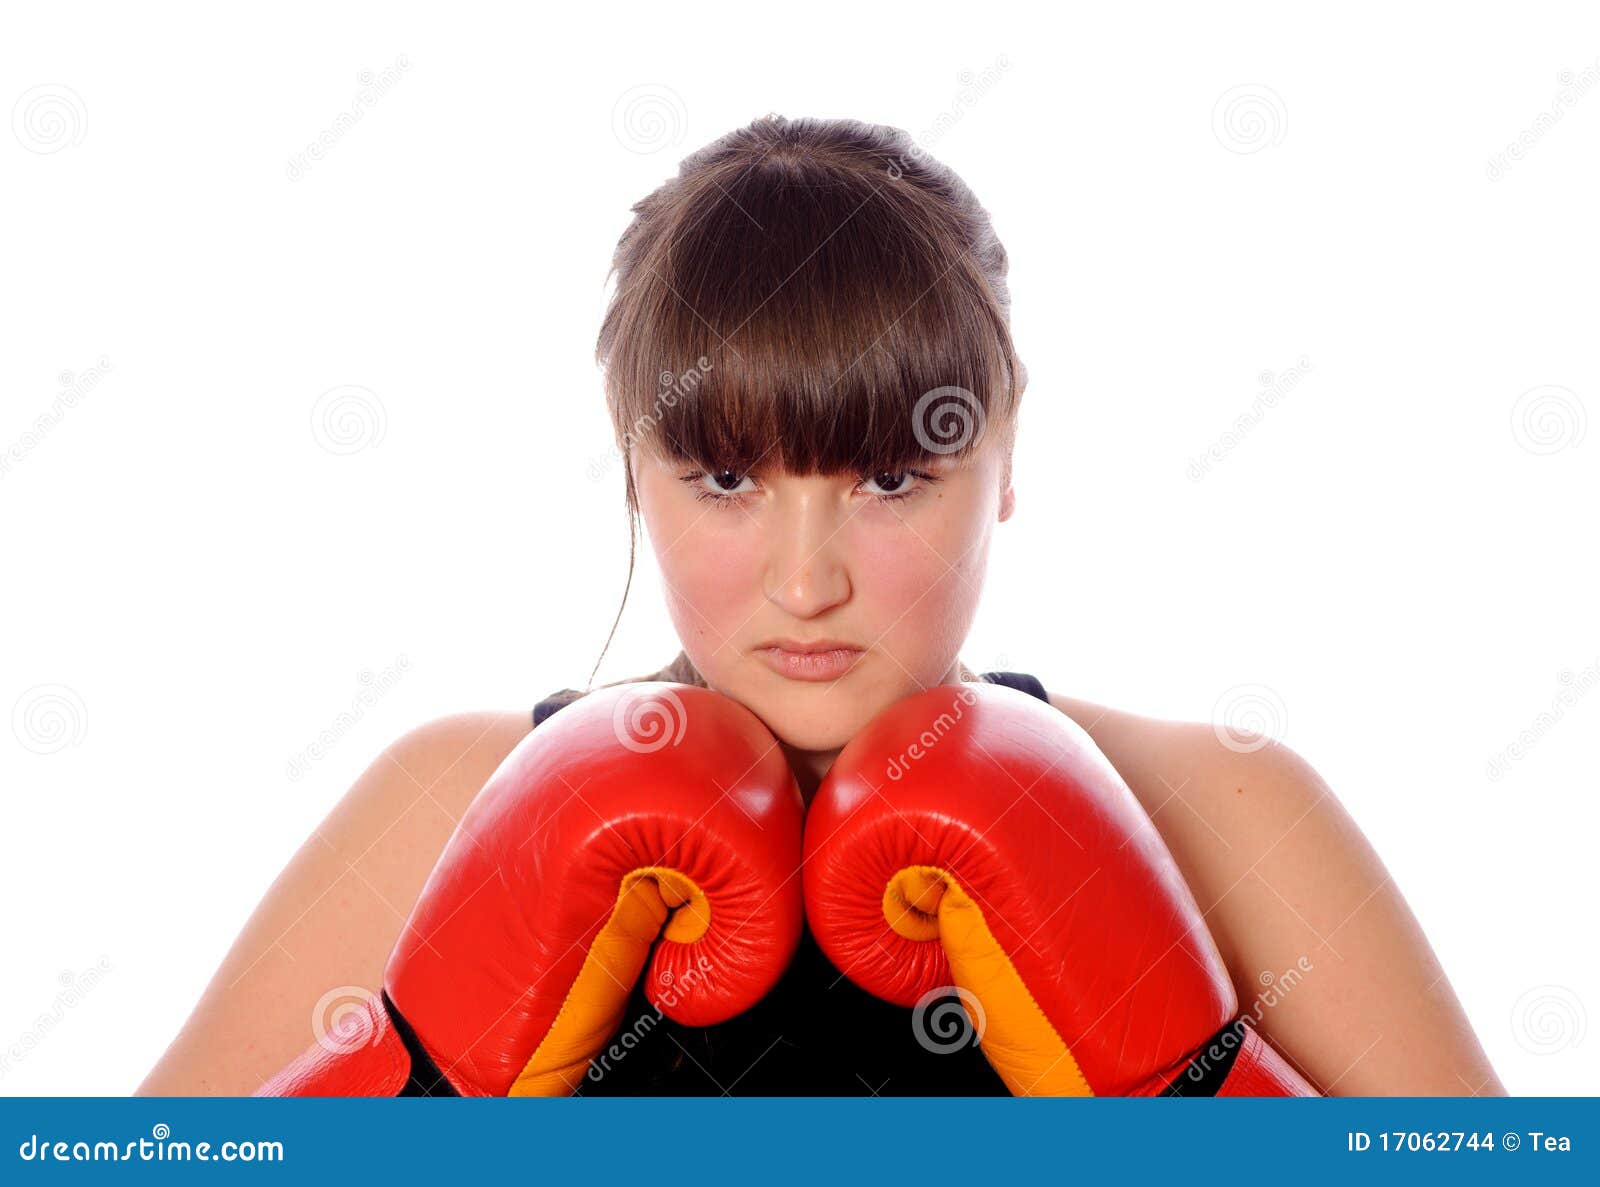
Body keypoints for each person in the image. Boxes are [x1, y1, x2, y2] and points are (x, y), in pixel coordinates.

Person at [136, 114, 1504, 1097]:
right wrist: (419, 1098)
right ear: (632, 466)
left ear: (1005, 458)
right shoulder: (448, 802)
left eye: (894, 476)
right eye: (725, 475)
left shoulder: (1224, 810)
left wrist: (1196, 1092)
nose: (806, 581)